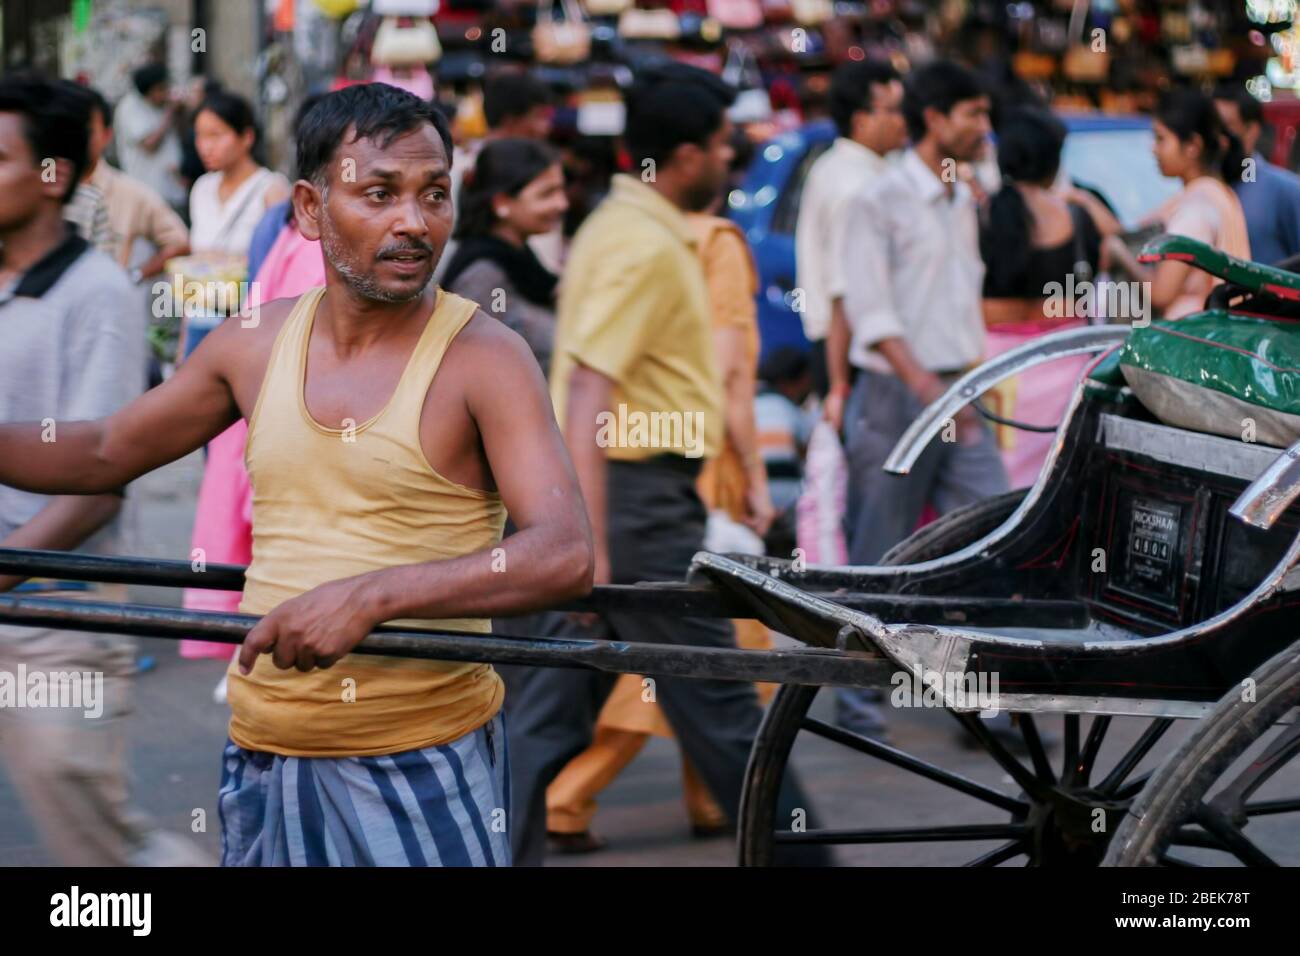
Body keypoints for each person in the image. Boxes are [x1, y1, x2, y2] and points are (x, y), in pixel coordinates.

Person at [0, 81, 594, 867]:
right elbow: (105, 449)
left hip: (419, 756)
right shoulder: (252, 343)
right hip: (264, 749)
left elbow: (563, 553)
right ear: (311, 210)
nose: (413, 223)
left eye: (434, 195)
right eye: (379, 193)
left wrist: (374, 594)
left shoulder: (485, 357)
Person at [499, 63, 826, 867]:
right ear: (683, 156)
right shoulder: (642, 242)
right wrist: (592, 546)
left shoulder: (634, 228)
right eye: (721, 145)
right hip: (627, 500)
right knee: (716, 701)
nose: (731, 160)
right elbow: (590, 392)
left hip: (620, 496)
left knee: (545, 712)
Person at [0, 71, 208, 866]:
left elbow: (96, 479)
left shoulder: (98, 296)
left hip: (59, 616)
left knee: (97, 844)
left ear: (53, 176)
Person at [542, 182, 777, 852]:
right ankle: (573, 794)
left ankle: (696, 798)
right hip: (673, 465)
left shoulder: (609, 230)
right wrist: (754, 478)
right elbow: (729, 373)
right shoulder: (711, 243)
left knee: (649, 659)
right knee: (702, 664)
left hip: (613, 462)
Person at [835, 61, 1009, 737]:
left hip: (958, 391)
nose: (983, 128)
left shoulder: (962, 195)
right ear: (933, 118)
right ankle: (853, 703)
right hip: (902, 392)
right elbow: (872, 317)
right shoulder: (875, 201)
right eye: (972, 114)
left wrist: (959, 391)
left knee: (990, 542)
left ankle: (981, 701)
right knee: (881, 555)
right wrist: (933, 393)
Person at [979, 107, 1104, 489]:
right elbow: (1093, 279)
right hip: (1062, 368)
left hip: (991, 372)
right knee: (1051, 488)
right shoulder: (1077, 218)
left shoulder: (978, 214)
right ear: (1053, 163)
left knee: (986, 489)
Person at [794, 59, 907, 411]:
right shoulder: (856, 187)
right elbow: (845, 290)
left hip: (850, 349)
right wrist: (840, 384)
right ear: (861, 120)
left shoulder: (842, 168)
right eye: (893, 110)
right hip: (853, 353)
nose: (904, 120)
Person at [1105, 89, 1250, 319]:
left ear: (1192, 145)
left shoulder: (1196, 210)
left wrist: (1120, 254)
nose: (1153, 148)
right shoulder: (1220, 195)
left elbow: (1162, 293)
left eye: (1161, 138)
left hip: (1188, 342)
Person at [441, 138, 567, 372]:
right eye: (547, 194)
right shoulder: (483, 277)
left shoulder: (520, 258)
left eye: (561, 190)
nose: (562, 203)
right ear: (502, 203)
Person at [66, 85, 190, 280]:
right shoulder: (37, 191)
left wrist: (135, 275)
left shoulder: (131, 194)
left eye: (85, 130)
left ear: (106, 135)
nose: (73, 138)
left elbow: (180, 242)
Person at [1213, 84, 1300, 266]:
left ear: (1252, 131)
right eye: (1211, 127)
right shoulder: (1200, 184)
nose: (1217, 137)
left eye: (1226, 127)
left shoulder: (1283, 189)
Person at [113, 63, 187, 212]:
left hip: (172, 190)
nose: (166, 93)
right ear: (148, 91)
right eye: (161, 89)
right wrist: (170, 112)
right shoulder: (130, 107)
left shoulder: (161, 105)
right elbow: (150, 145)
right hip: (148, 191)